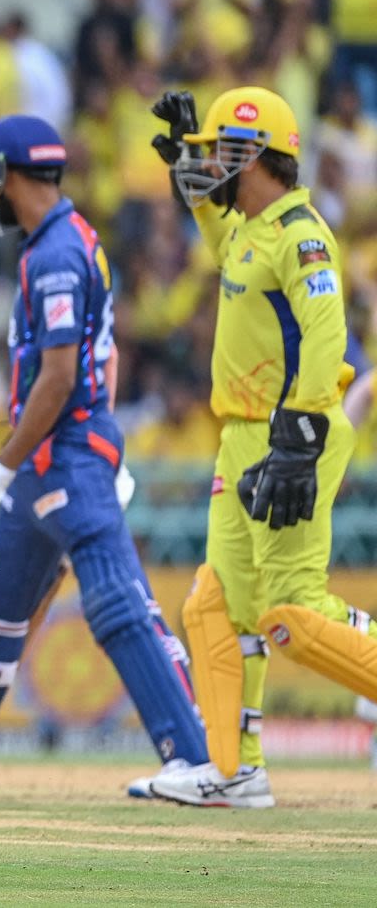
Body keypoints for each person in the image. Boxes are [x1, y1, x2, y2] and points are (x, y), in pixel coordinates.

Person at [0, 115, 209, 798]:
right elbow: (99, 358)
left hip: (69, 454)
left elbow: (58, 377)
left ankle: (198, 758)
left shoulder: (55, 253)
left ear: (16, 174)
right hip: (59, 455)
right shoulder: (71, 239)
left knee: (118, 602)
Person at [146, 87, 377, 807]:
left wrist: (300, 432)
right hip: (240, 437)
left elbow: (326, 330)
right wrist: (190, 170)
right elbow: (220, 238)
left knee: (290, 615)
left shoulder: (301, 233)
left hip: (288, 434)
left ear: (259, 155)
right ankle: (234, 769)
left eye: (222, 151)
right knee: (216, 605)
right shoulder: (248, 229)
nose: (210, 161)